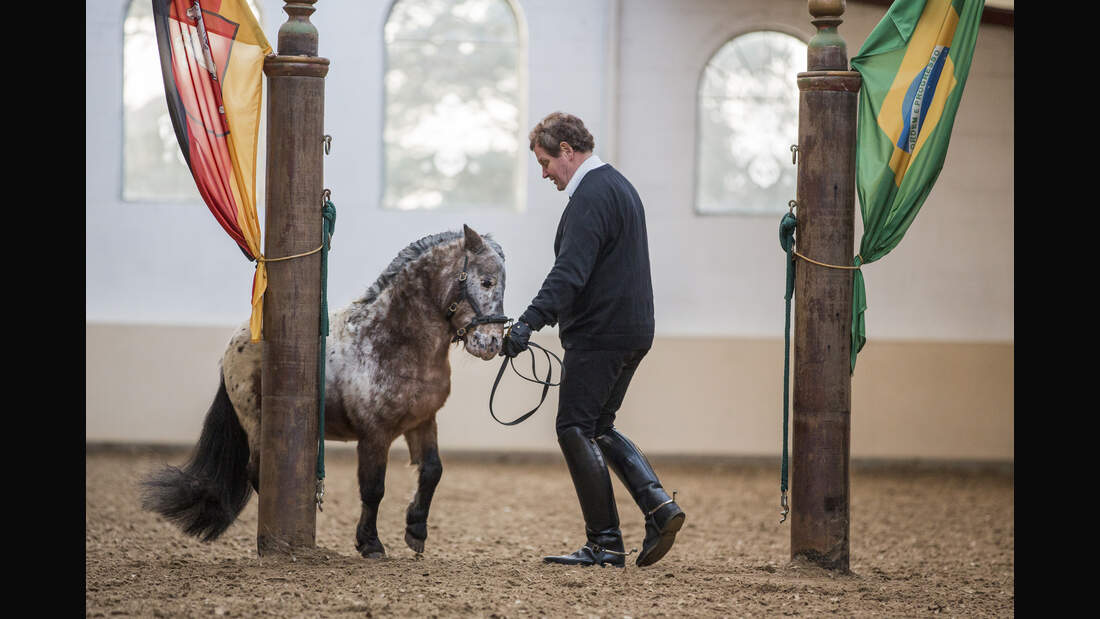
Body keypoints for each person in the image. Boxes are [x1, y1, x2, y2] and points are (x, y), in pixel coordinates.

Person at [502, 111, 685, 568]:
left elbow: (570, 273)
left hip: (601, 333)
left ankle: (605, 543)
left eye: (546, 162)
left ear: (567, 151)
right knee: (598, 426)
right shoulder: (618, 186)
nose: (544, 172)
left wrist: (529, 322)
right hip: (632, 329)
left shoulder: (590, 196)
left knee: (573, 428)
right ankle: (658, 506)